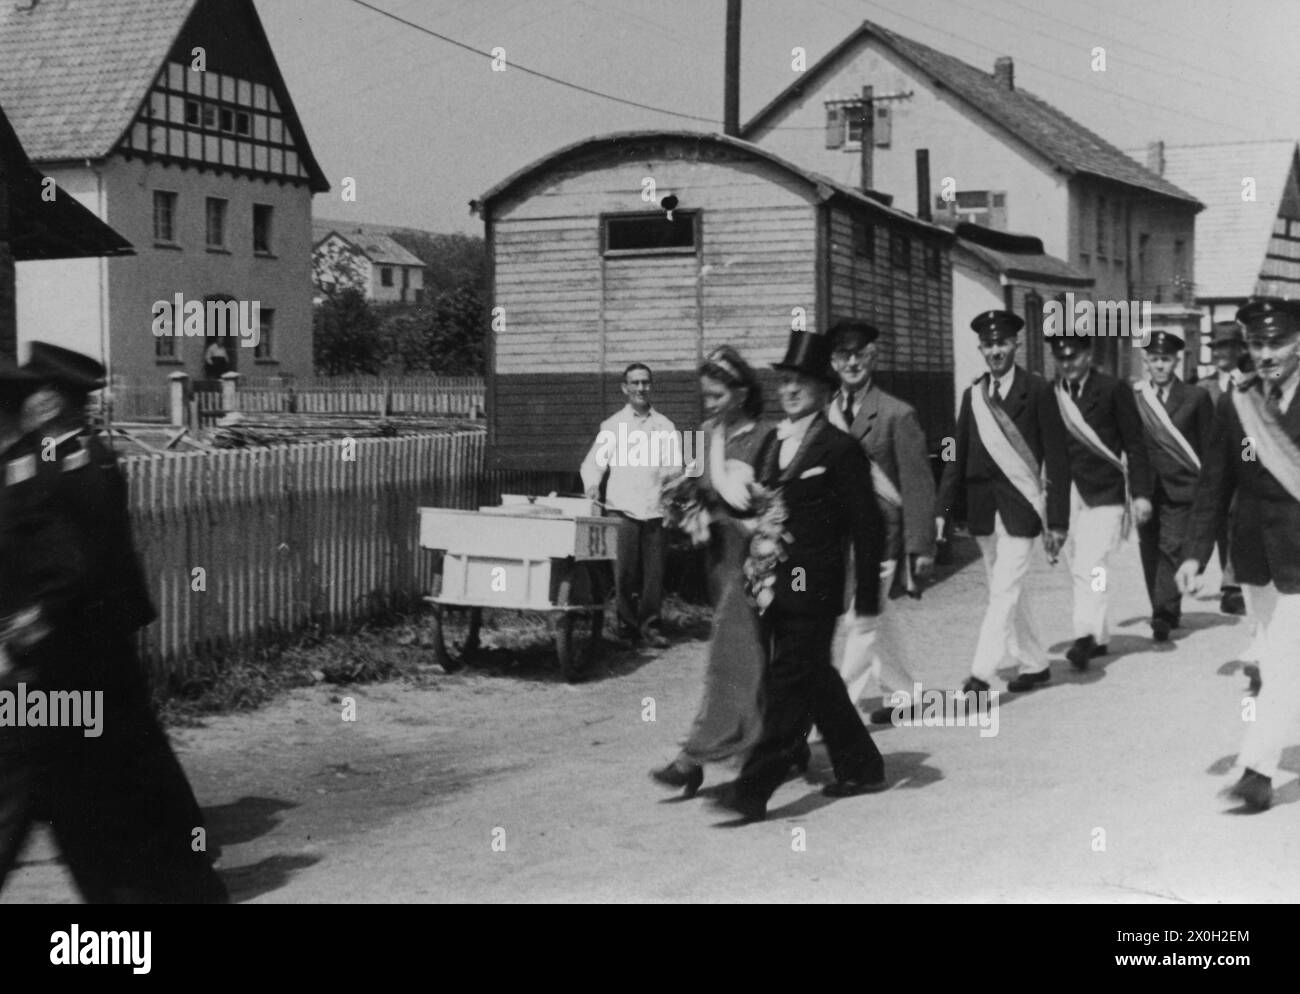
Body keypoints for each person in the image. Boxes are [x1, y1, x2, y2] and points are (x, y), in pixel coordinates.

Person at [13, 342, 228, 902]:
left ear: (54, 398)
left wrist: (41, 615)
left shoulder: (64, 459)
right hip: (98, 632)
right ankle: (181, 864)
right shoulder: (87, 452)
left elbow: (76, 556)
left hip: (80, 637)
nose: (27, 402)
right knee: (128, 751)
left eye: (35, 392)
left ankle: (156, 875)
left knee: (72, 763)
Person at [714, 330, 888, 824]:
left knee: (791, 679)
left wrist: (869, 598)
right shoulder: (773, 443)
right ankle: (862, 764)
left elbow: (867, 525)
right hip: (774, 583)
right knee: (814, 678)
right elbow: (763, 507)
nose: (790, 390)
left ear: (824, 389)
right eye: (785, 381)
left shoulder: (838, 448)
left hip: (816, 588)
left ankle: (753, 788)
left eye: (802, 383)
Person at [1178, 298, 1300, 812]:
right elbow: (1216, 481)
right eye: (1257, 344)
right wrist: (1194, 553)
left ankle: (1256, 770)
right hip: (1254, 553)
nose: (1266, 353)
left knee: (1287, 660)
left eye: (1277, 342)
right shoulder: (1237, 402)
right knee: (1277, 659)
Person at [651, 347, 775, 796]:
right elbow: (687, 487)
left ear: (741, 393)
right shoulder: (702, 437)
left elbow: (774, 503)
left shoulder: (766, 438)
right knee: (750, 654)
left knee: (729, 652)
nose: (710, 404)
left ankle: (693, 756)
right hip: (717, 561)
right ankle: (771, 740)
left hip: (756, 561)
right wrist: (683, 507)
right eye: (706, 396)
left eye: (718, 395)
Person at [936, 310, 1071, 696]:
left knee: (1004, 589)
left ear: (1015, 345)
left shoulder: (1038, 390)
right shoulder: (973, 395)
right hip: (983, 510)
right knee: (1010, 588)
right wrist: (941, 513)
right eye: (989, 344)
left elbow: (1058, 459)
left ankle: (981, 672)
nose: (996, 350)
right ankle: (1035, 662)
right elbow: (955, 458)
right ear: (981, 348)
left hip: (1021, 507)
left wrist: (1057, 519)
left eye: (1003, 343)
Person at [823, 319, 936, 724]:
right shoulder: (824, 415)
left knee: (860, 619)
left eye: (859, 354)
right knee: (877, 618)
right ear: (834, 363)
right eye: (843, 355)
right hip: (841, 539)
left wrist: (921, 546)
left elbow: (918, 484)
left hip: (881, 537)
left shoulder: (896, 414)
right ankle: (905, 692)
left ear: (873, 357)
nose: (852, 362)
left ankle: (839, 713)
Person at [1048, 332, 1153, 670]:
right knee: (1078, 565)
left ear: (1088, 355)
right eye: (1061, 358)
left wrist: (1140, 493)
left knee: (1091, 566)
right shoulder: (1053, 393)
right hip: (1068, 493)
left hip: (1106, 490)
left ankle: (1084, 635)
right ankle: (1101, 635)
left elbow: (1135, 444)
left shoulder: (1112, 389)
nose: (1068, 364)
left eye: (1074, 357)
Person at [580, 363, 676, 648]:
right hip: (621, 509)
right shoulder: (613, 426)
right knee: (624, 574)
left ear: (651, 386)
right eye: (634, 383)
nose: (640, 388)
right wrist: (592, 485)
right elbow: (592, 464)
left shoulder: (665, 426)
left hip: (655, 508)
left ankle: (651, 627)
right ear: (625, 388)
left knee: (654, 575)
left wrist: (673, 495)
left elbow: (674, 468)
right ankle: (626, 628)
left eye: (645, 383)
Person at [1132, 331, 1214, 644]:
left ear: (1176, 360)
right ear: (1146, 362)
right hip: (1147, 488)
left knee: (1172, 547)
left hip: (1182, 487)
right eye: (1154, 359)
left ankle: (1163, 613)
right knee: (1149, 550)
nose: (1160, 365)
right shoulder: (1137, 398)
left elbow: (1208, 444)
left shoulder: (1196, 397)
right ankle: (1165, 606)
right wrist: (1137, 490)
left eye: (1166, 359)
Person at [1202, 321, 1249, 617]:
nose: (1220, 352)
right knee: (1220, 524)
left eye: (1226, 346)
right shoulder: (1202, 387)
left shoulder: (1253, 382)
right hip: (1213, 468)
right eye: (1216, 346)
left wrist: (1250, 462)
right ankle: (1230, 581)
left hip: (1245, 464)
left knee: (1239, 520)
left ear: (1240, 349)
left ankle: (1232, 586)